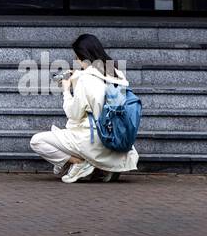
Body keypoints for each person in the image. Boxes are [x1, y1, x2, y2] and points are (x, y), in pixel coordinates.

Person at [30, 33, 139, 183]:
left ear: (82, 56)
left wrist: (67, 90)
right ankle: (104, 168)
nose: (76, 61)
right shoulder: (117, 74)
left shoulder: (85, 80)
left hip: (92, 139)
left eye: (76, 57)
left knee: (37, 141)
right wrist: (80, 74)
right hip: (114, 136)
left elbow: (73, 114)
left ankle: (80, 163)